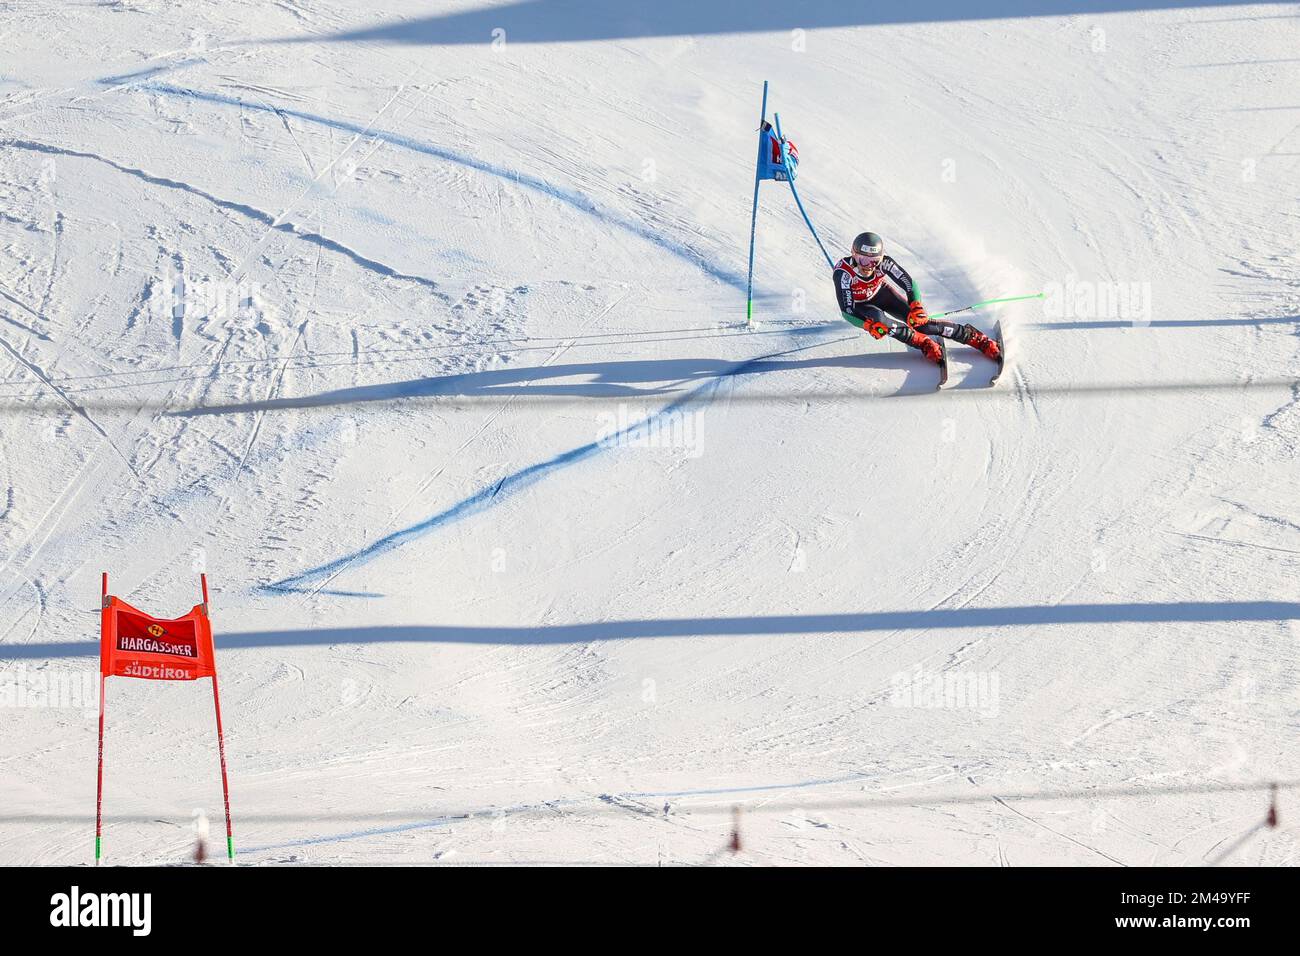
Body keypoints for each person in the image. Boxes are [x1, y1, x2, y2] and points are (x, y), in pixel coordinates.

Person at [832, 232, 1001, 367]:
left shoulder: (885, 264)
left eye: (874, 261)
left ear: (881, 258)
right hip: (862, 305)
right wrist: (867, 325)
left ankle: (973, 337)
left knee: (921, 323)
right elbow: (847, 311)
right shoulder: (844, 273)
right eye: (863, 260)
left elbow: (909, 283)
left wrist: (916, 305)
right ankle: (923, 343)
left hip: (882, 294)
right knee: (880, 324)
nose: (868, 266)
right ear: (853, 255)